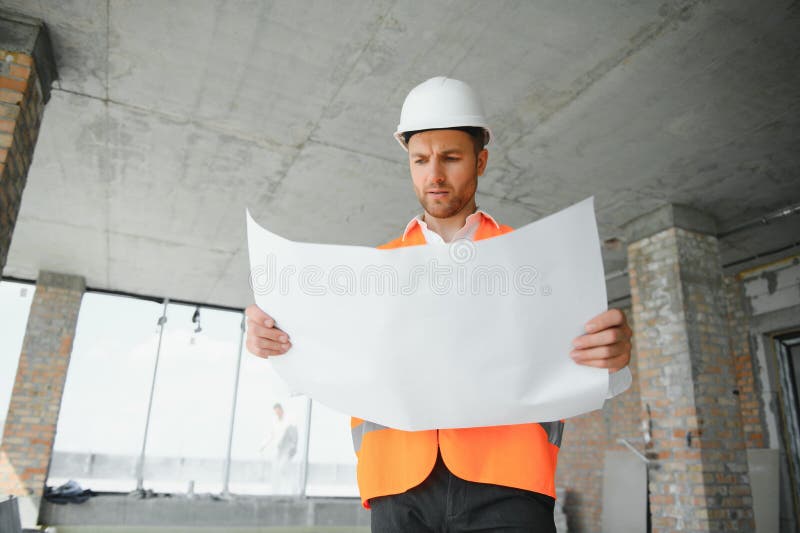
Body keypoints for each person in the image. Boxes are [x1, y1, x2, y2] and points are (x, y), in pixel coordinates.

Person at [245, 76, 633, 532]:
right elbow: (324, 359)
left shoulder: (535, 262)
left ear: (481, 161)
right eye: (420, 160)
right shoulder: (371, 271)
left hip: (509, 483)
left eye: (451, 158)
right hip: (397, 485)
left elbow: (582, 366)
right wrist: (272, 339)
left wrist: (614, 359)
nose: (435, 175)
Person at [259, 402, 298, 494]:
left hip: (288, 449)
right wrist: (263, 445)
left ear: (281, 410)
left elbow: (294, 434)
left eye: (278, 411)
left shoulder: (289, 421)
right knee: (276, 470)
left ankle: (294, 487)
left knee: (283, 467)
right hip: (278, 450)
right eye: (275, 412)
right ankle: (276, 490)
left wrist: (294, 446)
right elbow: (271, 435)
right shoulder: (275, 422)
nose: (277, 413)